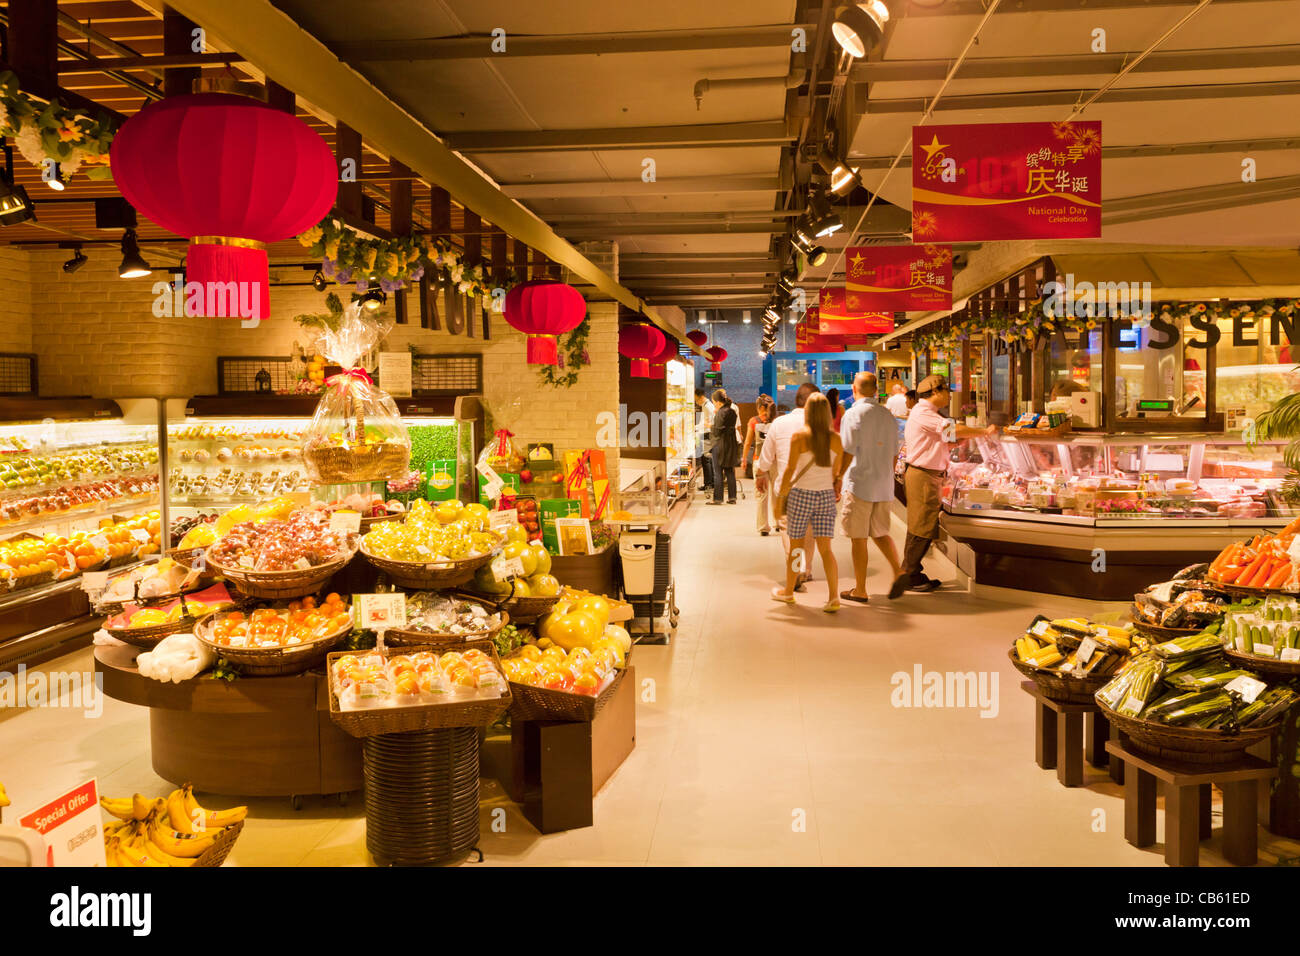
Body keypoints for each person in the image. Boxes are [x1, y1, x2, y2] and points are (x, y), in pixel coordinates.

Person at [889, 374, 998, 600]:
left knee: (922, 523)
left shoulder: (929, 413)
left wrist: (959, 442)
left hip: (927, 475)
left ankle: (912, 572)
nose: (950, 395)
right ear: (936, 392)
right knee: (922, 525)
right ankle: (908, 573)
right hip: (923, 476)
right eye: (947, 391)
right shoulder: (924, 413)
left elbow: (949, 437)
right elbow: (954, 430)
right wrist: (984, 432)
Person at [772, 393, 843, 612]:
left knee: (796, 548)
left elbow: (790, 470)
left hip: (801, 495)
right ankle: (833, 597)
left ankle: (789, 592)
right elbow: (836, 472)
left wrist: (780, 498)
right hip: (825, 496)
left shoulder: (799, 437)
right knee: (826, 550)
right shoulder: (836, 440)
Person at [835, 371, 901, 603]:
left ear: (855, 390)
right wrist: (887, 475)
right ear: (875, 389)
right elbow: (895, 452)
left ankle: (860, 589)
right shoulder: (888, 415)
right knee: (881, 532)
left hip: (860, 483)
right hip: (884, 484)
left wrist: (837, 478)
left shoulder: (853, 415)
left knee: (858, 537)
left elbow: (847, 450)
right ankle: (899, 571)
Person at [756, 383, 820, 590]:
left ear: (797, 400)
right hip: (815, 488)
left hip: (787, 488)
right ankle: (806, 569)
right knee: (809, 530)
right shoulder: (821, 424)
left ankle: (797, 569)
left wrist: (761, 473)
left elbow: (766, 457)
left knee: (788, 530)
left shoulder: (780, 423)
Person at [742, 395, 777, 534]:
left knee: (762, 493)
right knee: (777, 492)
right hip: (775, 461)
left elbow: (748, 442)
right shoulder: (777, 421)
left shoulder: (753, 421)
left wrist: (744, 459)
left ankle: (763, 527)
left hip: (759, 461)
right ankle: (779, 522)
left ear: (760, 407)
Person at [707, 389, 740, 505]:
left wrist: (710, 426)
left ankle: (718, 498)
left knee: (718, 472)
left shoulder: (720, 412)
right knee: (730, 471)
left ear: (717, 402)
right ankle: (732, 497)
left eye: (714, 402)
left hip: (720, 445)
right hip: (731, 443)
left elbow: (717, 432)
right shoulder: (732, 411)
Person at [694, 392, 715, 493]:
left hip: (707, 435)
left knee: (705, 460)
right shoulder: (707, 405)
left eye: (696, 399)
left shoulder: (707, 406)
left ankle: (708, 484)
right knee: (707, 460)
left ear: (701, 397)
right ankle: (710, 483)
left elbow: (708, 423)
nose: (696, 402)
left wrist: (696, 428)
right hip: (707, 434)